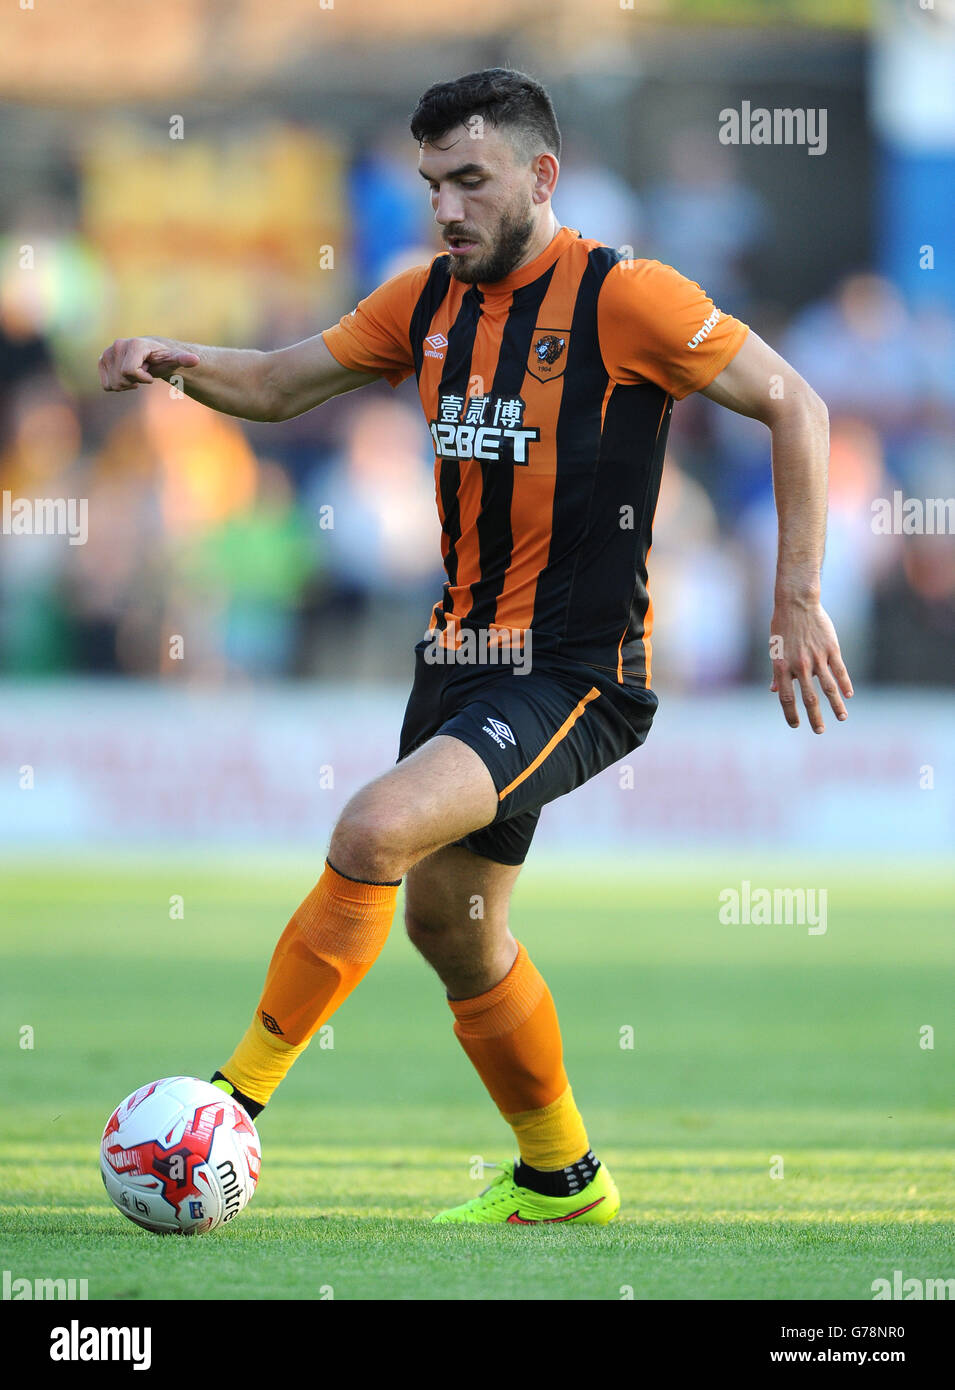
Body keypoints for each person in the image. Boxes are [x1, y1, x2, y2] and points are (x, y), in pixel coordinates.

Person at [98, 67, 852, 1225]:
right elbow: (279, 383)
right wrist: (174, 357)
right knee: (454, 931)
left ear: (539, 176)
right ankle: (561, 1176)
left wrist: (794, 594)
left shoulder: (626, 298)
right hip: (454, 657)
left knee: (372, 827)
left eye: (468, 181)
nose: (444, 208)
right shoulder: (424, 304)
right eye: (429, 184)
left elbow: (794, 400)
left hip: (577, 669)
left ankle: (226, 1105)